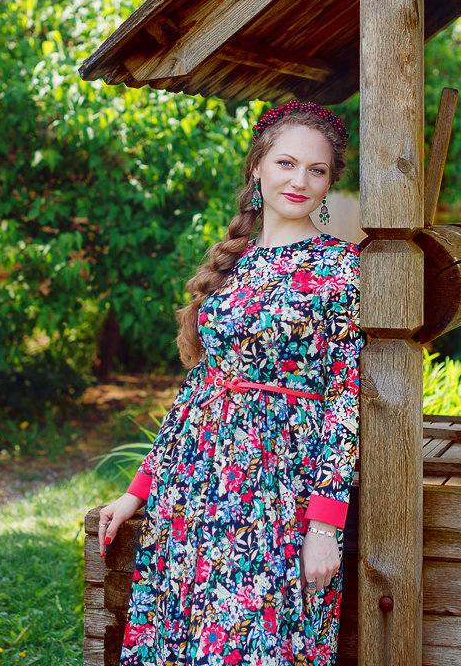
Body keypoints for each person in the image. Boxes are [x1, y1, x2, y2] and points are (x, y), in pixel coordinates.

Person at [98, 99, 363, 665]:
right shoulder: (233, 262)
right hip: (196, 490)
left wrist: (325, 523)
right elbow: (198, 390)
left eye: (316, 171)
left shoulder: (341, 267)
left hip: (275, 492)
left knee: (256, 642)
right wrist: (137, 490)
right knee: (184, 635)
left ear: (330, 183)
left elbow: (344, 400)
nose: (299, 181)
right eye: (286, 164)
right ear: (258, 168)